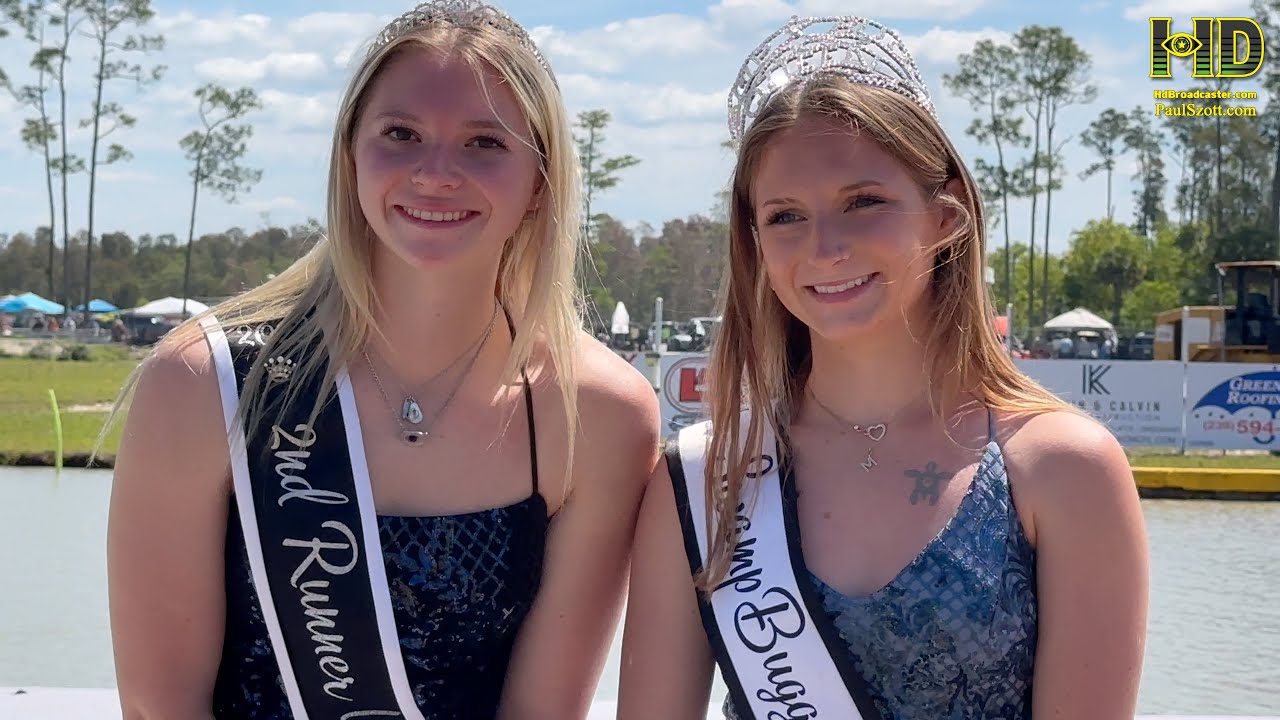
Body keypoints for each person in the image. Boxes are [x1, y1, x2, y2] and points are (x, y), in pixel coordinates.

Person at [103, 2, 659, 718]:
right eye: (401, 134)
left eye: (484, 144)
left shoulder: (601, 415)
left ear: (540, 184)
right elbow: (160, 706)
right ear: (350, 155)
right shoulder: (203, 382)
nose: (436, 173)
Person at [617, 15, 1147, 720]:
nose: (825, 246)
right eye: (785, 216)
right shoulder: (706, 478)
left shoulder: (1062, 470)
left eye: (863, 203)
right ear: (755, 244)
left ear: (947, 214)